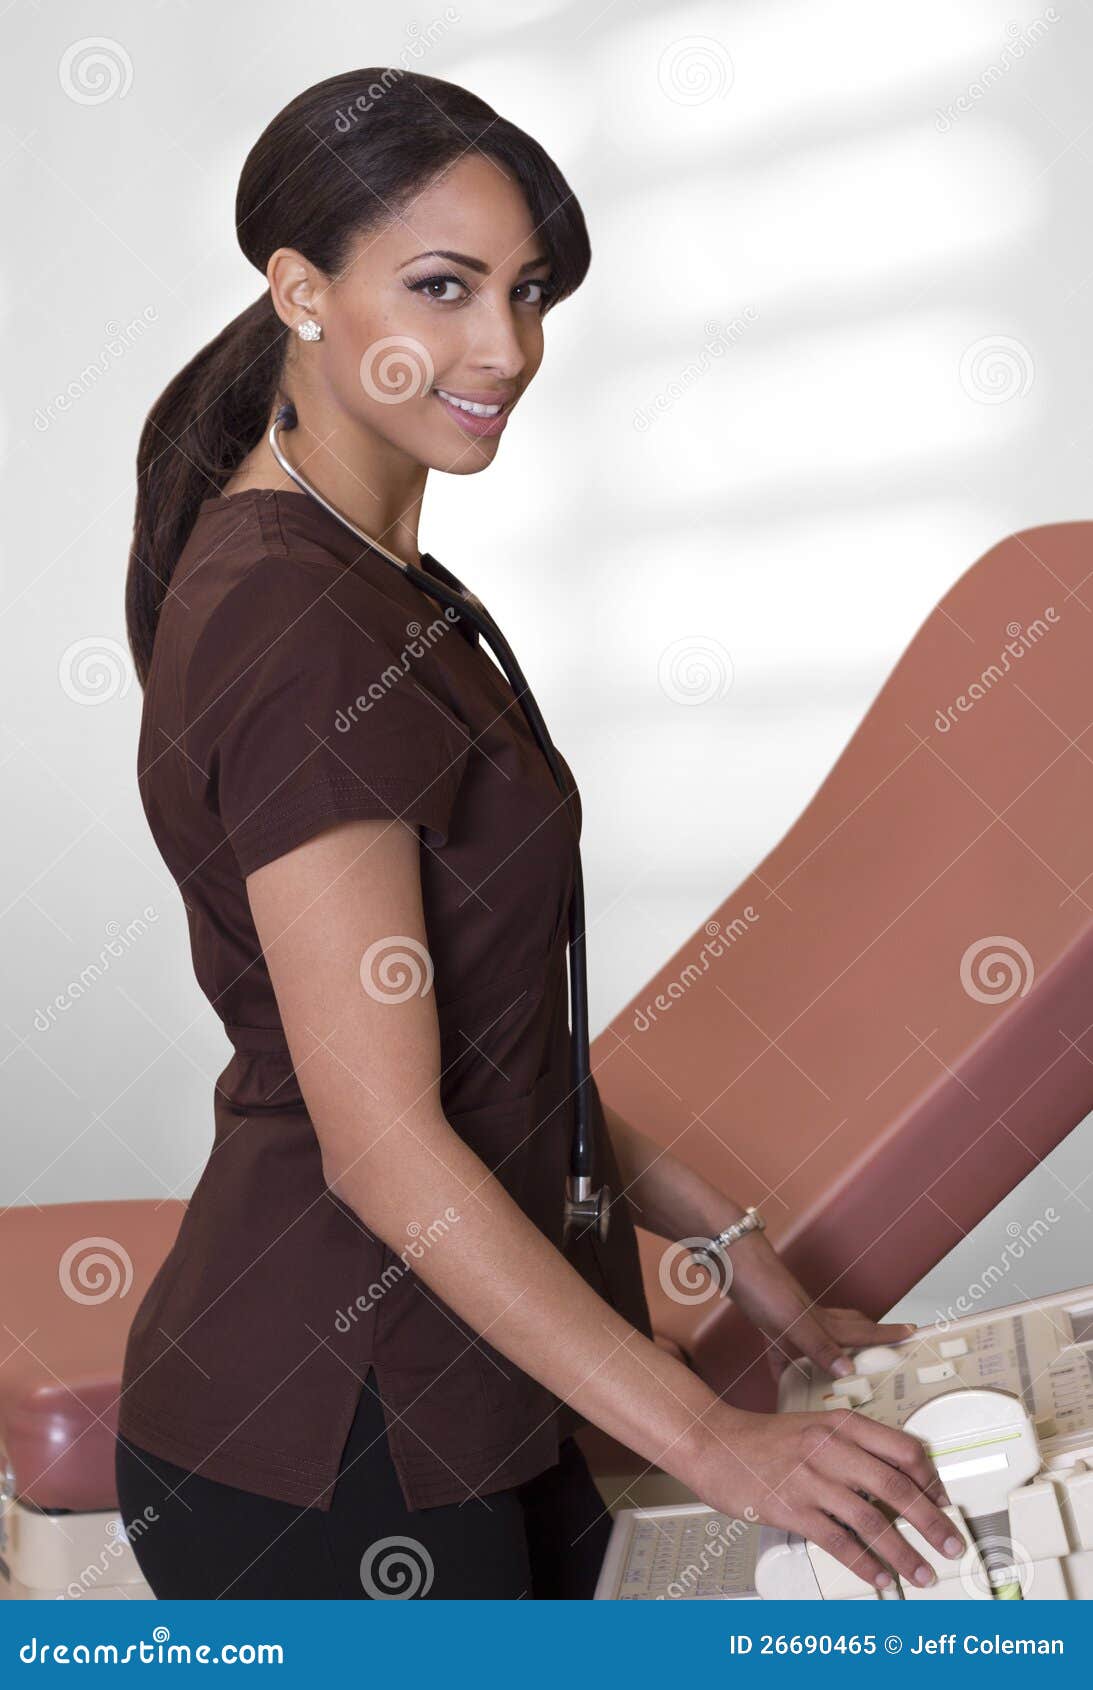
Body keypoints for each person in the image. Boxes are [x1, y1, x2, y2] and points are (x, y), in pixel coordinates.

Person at [114, 67, 962, 1600]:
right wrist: (713, 1440)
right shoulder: (298, 620)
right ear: (299, 291)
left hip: (477, 1394)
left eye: (525, 291)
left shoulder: (374, 579)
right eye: (441, 288)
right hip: (332, 1443)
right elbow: (381, 1143)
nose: (505, 348)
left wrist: (734, 1253)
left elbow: (488, 1041)